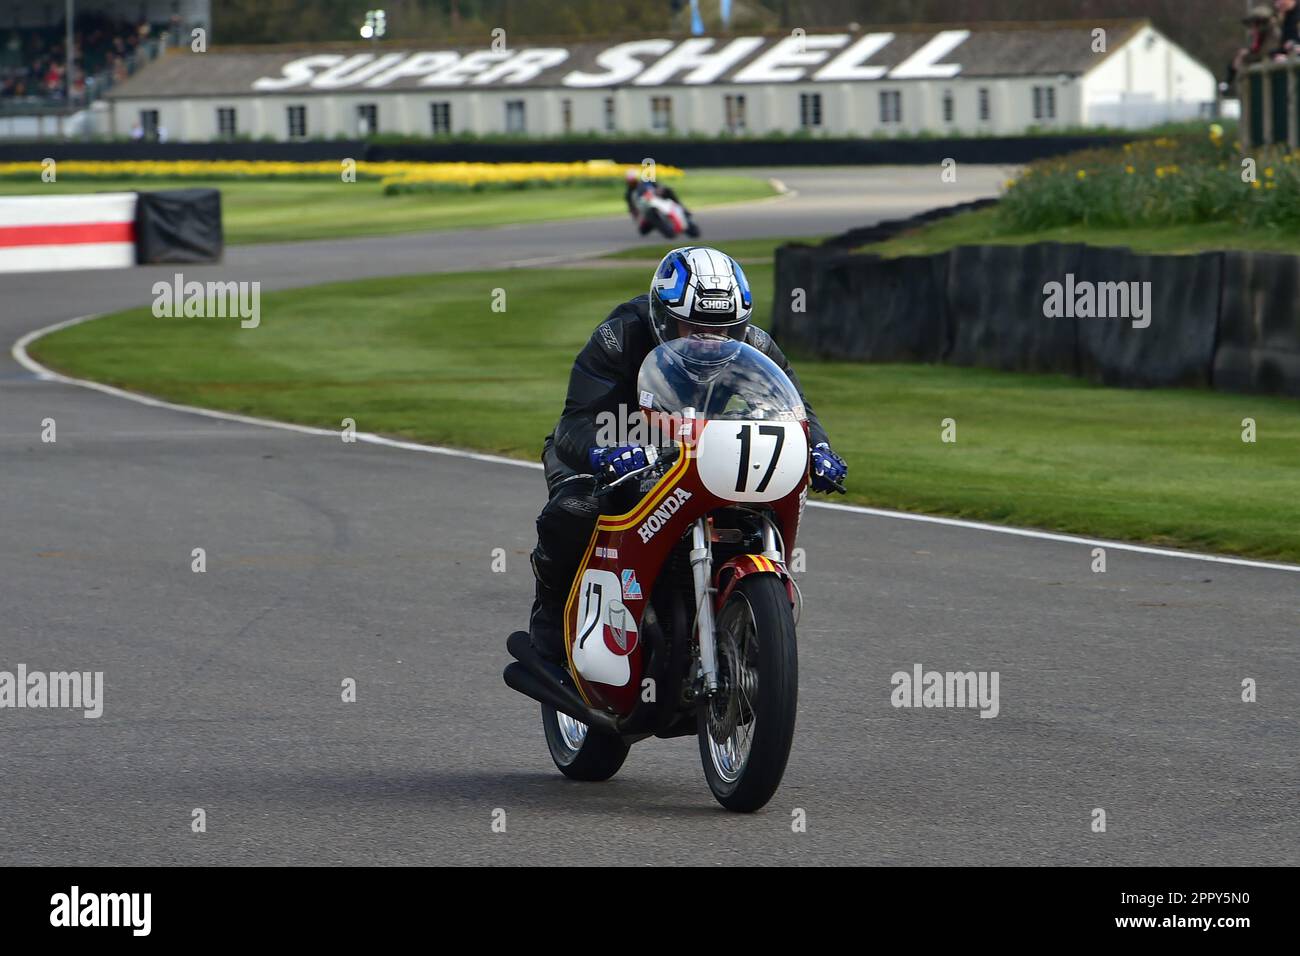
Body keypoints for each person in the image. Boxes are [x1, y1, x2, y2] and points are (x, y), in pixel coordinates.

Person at [526, 246, 848, 662]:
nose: (710, 341)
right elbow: (575, 421)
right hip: (615, 446)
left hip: (696, 450)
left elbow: (796, 409)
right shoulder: (620, 335)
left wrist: (818, 448)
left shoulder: (756, 346)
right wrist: (602, 454)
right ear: (662, 317)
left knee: (747, 509)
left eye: (724, 330)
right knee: (577, 507)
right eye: (693, 327)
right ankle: (551, 610)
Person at [624, 169, 701, 237]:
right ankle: (659, 226)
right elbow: (632, 208)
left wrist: (659, 191)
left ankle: (683, 210)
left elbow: (660, 187)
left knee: (669, 191)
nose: (633, 183)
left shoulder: (648, 182)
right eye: (631, 182)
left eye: (634, 181)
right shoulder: (629, 193)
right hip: (647, 210)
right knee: (643, 230)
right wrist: (637, 218)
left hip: (659, 202)